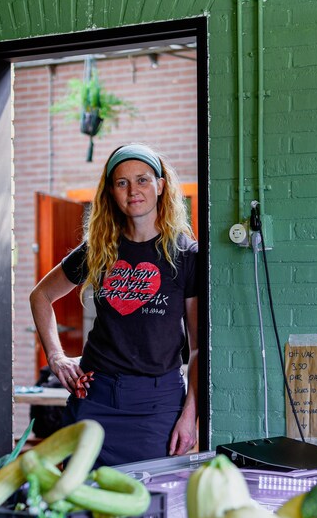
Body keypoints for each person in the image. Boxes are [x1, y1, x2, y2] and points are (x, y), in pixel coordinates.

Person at [29, 143, 198, 466]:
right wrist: (56, 357)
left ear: (161, 186)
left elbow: (196, 350)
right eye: (122, 182)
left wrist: (190, 415)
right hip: (95, 398)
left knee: (147, 507)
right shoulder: (99, 249)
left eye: (143, 180)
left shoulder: (186, 254)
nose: (133, 190)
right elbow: (41, 296)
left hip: (157, 405)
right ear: (111, 192)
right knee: (79, 502)